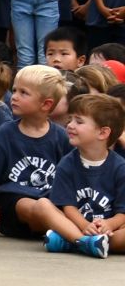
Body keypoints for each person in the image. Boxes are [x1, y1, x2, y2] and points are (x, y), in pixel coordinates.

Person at [0, 64, 71, 238]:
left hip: (49, 199)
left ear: (46, 104)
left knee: (47, 205)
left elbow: (69, 174)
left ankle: (59, 234)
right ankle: (76, 237)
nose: (14, 97)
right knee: (37, 206)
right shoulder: (6, 132)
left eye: (24, 93)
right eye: (14, 90)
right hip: (13, 201)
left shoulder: (60, 136)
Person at [42, 93, 125, 256]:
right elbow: (68, 207)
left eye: (79, 121)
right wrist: (84, 226)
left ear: (103, 133)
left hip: (108, 229)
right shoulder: (67, 163)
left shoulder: (120, 167)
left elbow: (123, 213)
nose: (70, 125)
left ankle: (71, 242)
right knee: (43, 205)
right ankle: (84, 242)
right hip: (75, 223)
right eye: (71, 119)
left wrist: (109, 223)